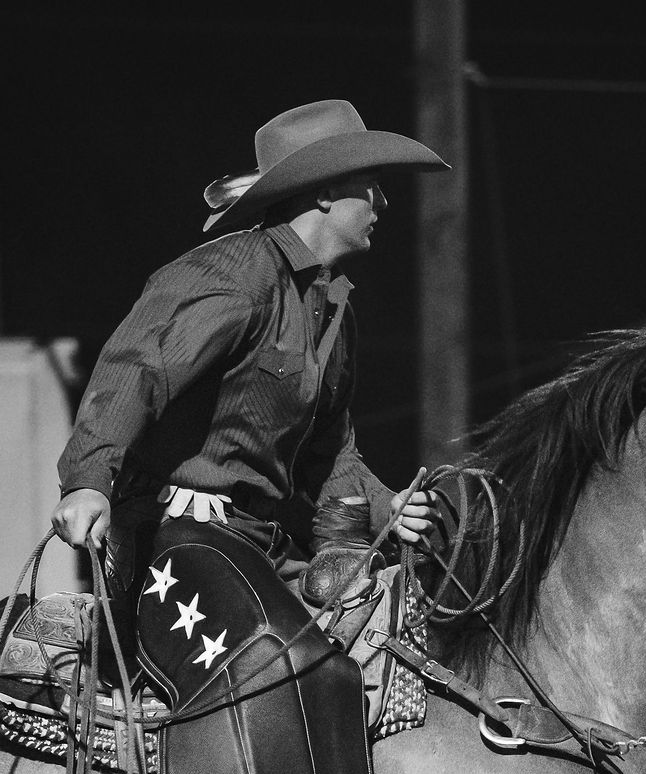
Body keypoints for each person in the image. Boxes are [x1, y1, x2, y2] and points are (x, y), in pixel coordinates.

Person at [52, 97, 444, 602]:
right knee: (290, 672)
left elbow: (328, 449)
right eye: (370, 184)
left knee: (391, 641)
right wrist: (87, 481)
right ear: (325, 194)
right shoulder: (234, 274)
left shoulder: (335, 306)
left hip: (263, 550)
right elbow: (137, 370)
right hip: (175, 544)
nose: (382, 202)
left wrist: (385, 504)